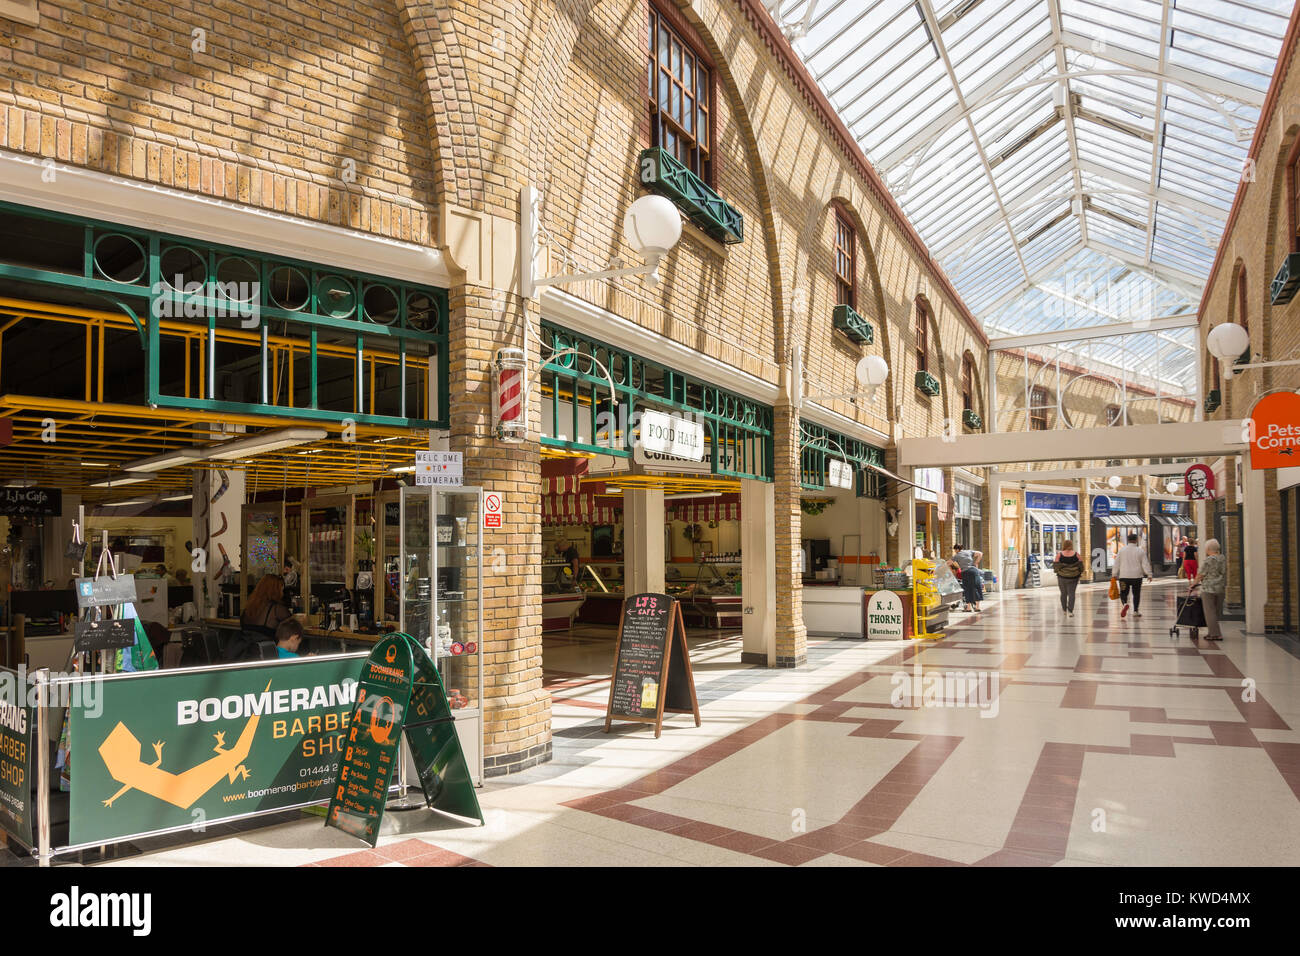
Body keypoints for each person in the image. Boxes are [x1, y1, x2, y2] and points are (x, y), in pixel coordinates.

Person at [1190, 538, 1226, 641]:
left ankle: (1215, 634)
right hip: (1220, 588)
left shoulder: (1209, 560)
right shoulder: (1222, 558)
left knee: (1209, 612)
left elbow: (1200, 574)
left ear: (1209, 549)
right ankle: (1212, 632)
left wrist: (1193, 584)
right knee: (1216, 612)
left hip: (1208, 590)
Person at [1111, 532, 1153, 619]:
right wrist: (1149, 574)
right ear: (1136, 540)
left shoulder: (1121, 550)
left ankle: (1125, 604)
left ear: (1128, 540)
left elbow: (1116, 563)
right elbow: (1145, 564)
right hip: (1137, 577)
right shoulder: (1140, 550)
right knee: (1136, 594)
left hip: (1124, 576)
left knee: (1123, 593)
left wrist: (1114, 574)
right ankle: (1135, 611)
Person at [949, 544, 984, 613]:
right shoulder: (969, 552)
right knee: (976, 587)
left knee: (967, 589)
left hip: (965, 572)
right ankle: (977, 607)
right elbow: (980, 553)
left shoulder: (957, 555)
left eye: (955, 550)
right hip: (974, 571)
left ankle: (968, 608)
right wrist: (976, 563)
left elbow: (949, 562)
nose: (955, 552)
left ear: (956, 550)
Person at [1053, 539, 1083, 616]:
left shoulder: (1059, 555)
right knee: (1071, 594)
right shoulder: (1076, 554)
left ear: (1064, 545)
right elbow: (1081, 566)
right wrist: (1079, 572)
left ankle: (1064, 610)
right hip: (1074, 577)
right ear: (1071, 545)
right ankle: (1070, 611)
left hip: (1062, 577)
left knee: (1063, 594)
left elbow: (1055, 566)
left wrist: (1059, 571)